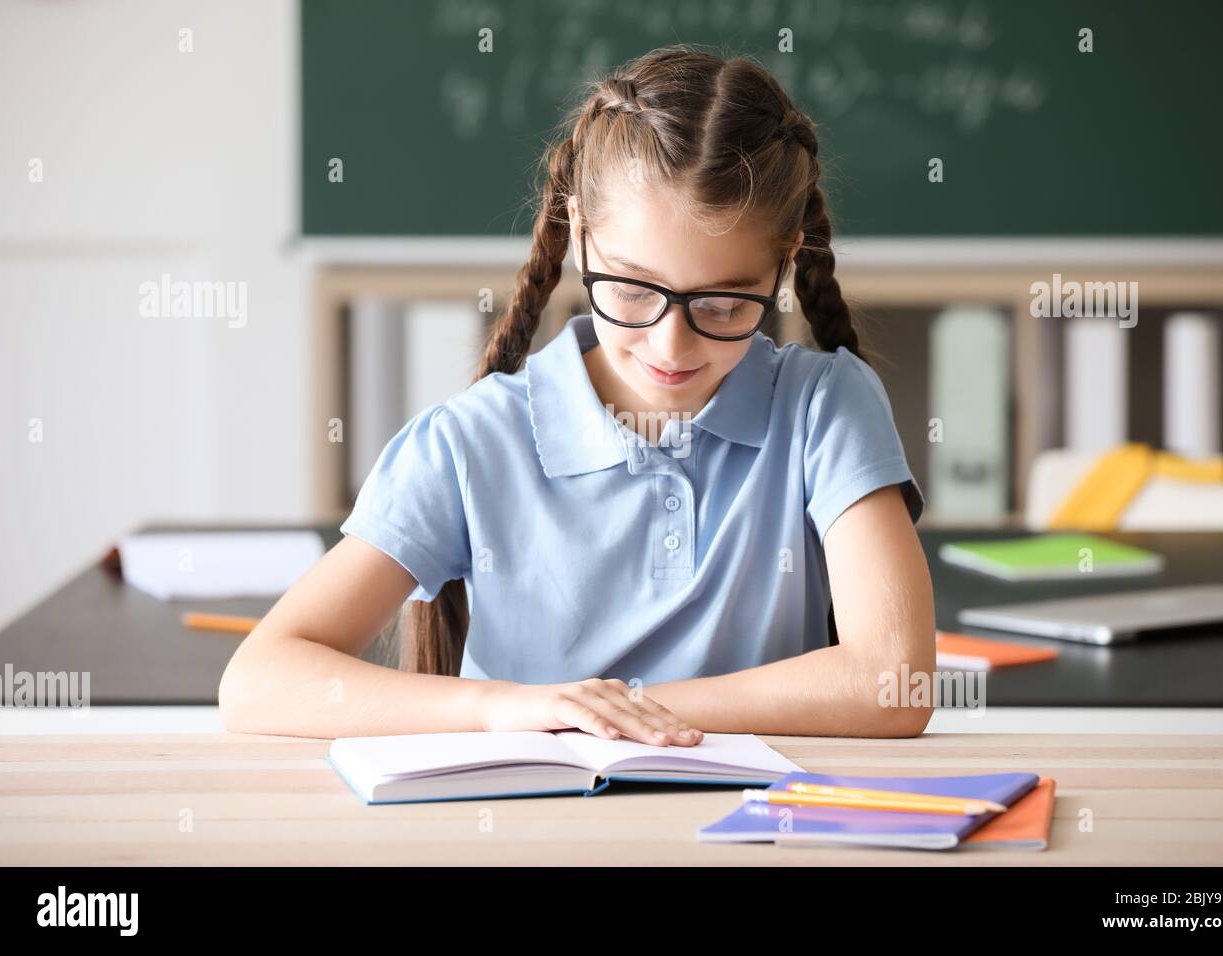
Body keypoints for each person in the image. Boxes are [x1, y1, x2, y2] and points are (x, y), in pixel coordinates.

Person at [219, 45, 934, 743]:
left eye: (721, 305)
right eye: (630, 290)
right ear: (580, 237)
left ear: (780, 266)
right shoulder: (473, 441)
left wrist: (622, 711)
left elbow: (895, 681)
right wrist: (509, 708)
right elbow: (259, 678)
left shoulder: (825, 408)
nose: (671, 345)